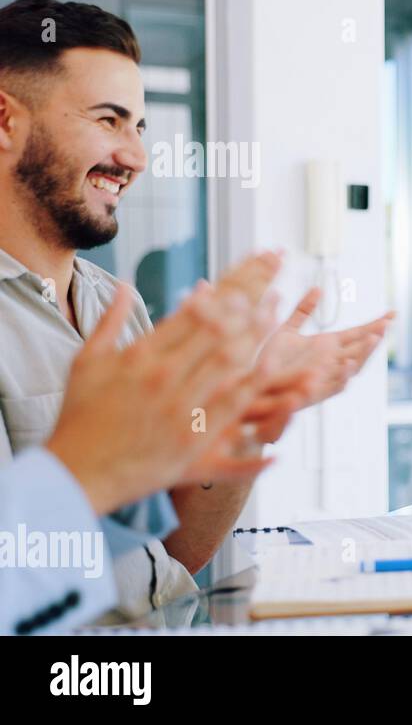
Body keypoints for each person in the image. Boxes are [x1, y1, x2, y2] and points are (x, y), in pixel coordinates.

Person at [0, 0, 393, 614]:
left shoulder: (117, 309)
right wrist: (84, 470)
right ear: (6, 122)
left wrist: (248, 416)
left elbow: (169, 555)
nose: (134, 157)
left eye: (139, 127)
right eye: (108, 120)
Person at [2, 251, 304, 634]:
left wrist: (246, 422)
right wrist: (84, 478)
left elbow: (170, 552)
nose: (128, 184)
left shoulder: (117, 300)